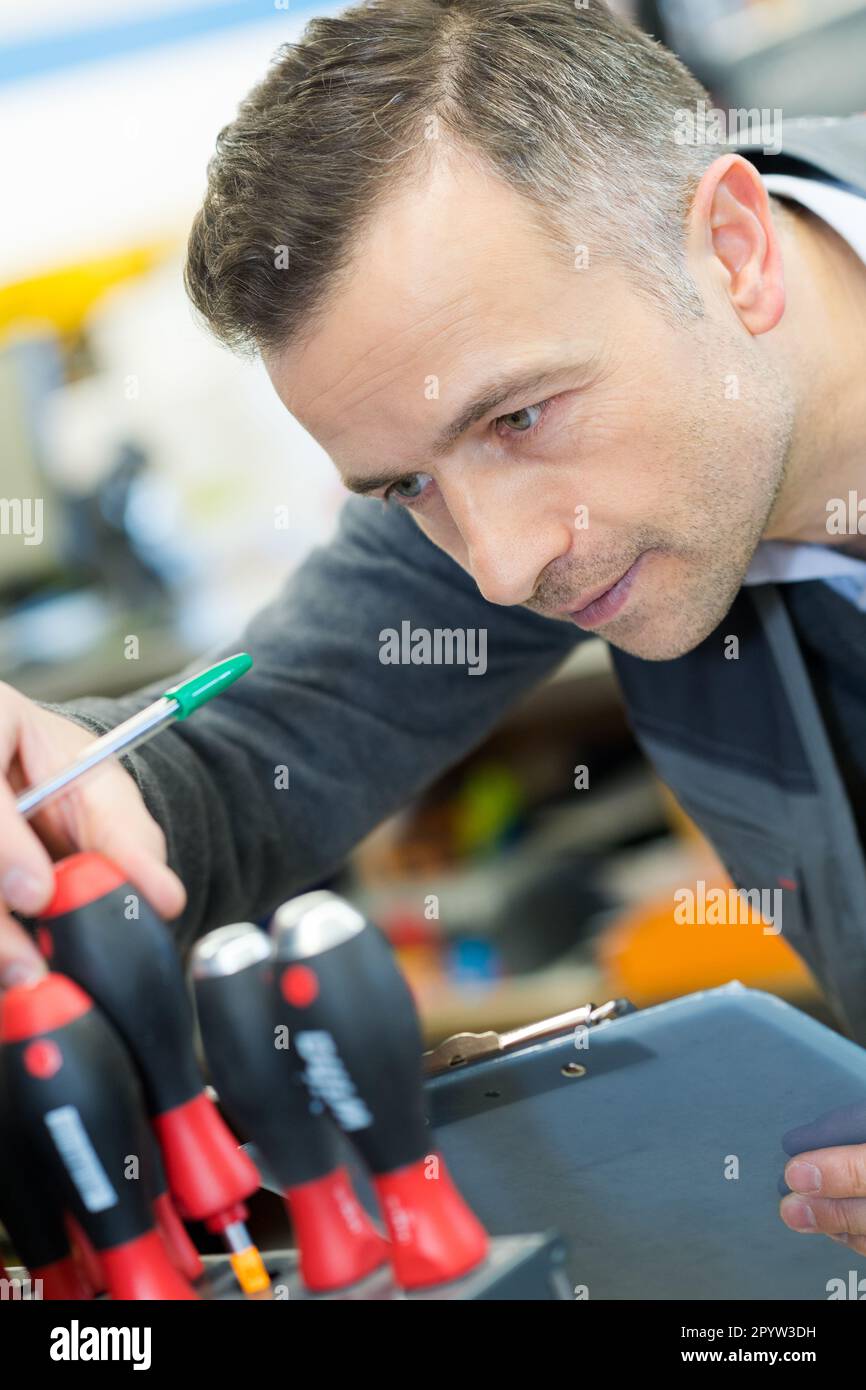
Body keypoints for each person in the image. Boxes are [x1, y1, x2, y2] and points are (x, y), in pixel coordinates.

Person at [3, 0, 866, 1254]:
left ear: (730, 249)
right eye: (405, 486)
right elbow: (253, 757)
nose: (502, 569)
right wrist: (45, 788)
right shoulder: (539, 493)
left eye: (518, 418)